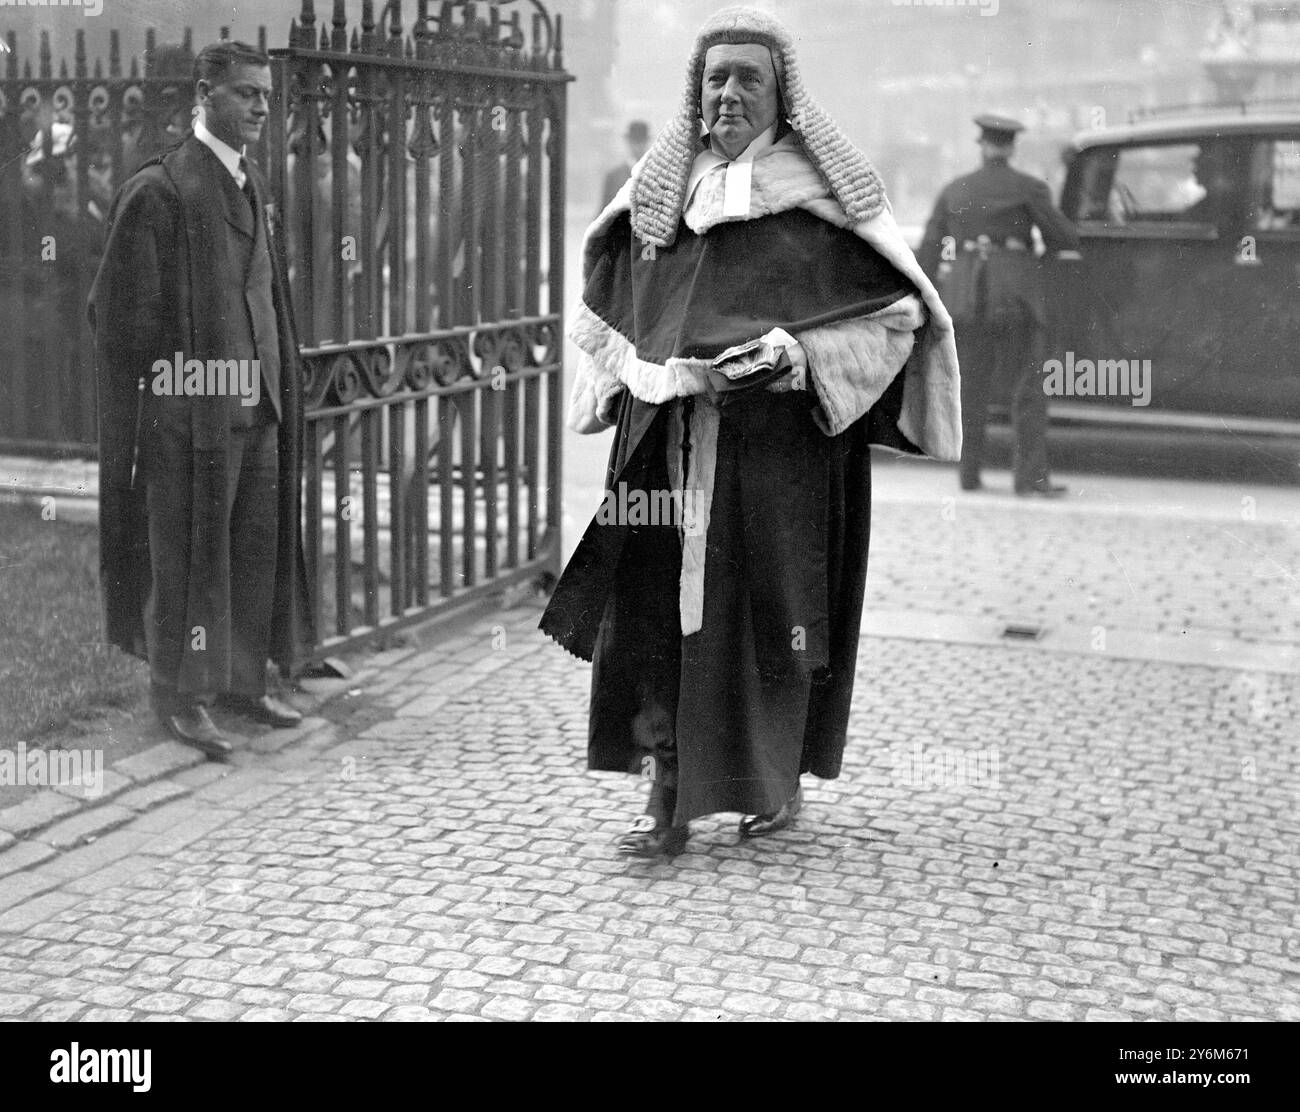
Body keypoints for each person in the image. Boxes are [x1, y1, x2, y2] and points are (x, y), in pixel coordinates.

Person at [541, 6, 962, 859]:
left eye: (749, 78)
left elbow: (894, 319)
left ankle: (772, 783)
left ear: (782, 95)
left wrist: (797, 354)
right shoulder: (656, 201)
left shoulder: (823, 204)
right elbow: (611, 308)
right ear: (696, 92)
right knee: (657, 609)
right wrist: (636, 381)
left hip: (780, 454)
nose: (729, 93)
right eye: (716, 78)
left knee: (774, 613)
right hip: (666, 443)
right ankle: (666, 797)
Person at [89, 40, 313, 757]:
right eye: (246, 92)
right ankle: (180, 697)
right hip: (195, 419)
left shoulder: (252, 182)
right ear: (205, 94)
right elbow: (116, 316)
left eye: (266, 95)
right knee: (188, 554)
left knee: (252, 547)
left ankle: (244, 683)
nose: (260, 105)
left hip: (263, 408)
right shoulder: (160, 189)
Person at [918, 114, 1081, 497]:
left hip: (965, 299)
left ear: (982, 145)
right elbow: (1065, 238)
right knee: (1027, 388)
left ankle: (969, 476)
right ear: (1010, 147)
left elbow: (928, 249)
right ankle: (1030, 480)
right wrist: (1032, 261)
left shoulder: (954, 190)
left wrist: (936, 293)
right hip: (1017, 297)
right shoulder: (1030, 188)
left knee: (970, 387)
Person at [597, 120, 651, 214]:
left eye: (641, 141)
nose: (637, 146)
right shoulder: (613, 177)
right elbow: (603, 213)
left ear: (647, 142)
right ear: (629, 142)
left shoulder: (658, 176)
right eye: (634, 141)